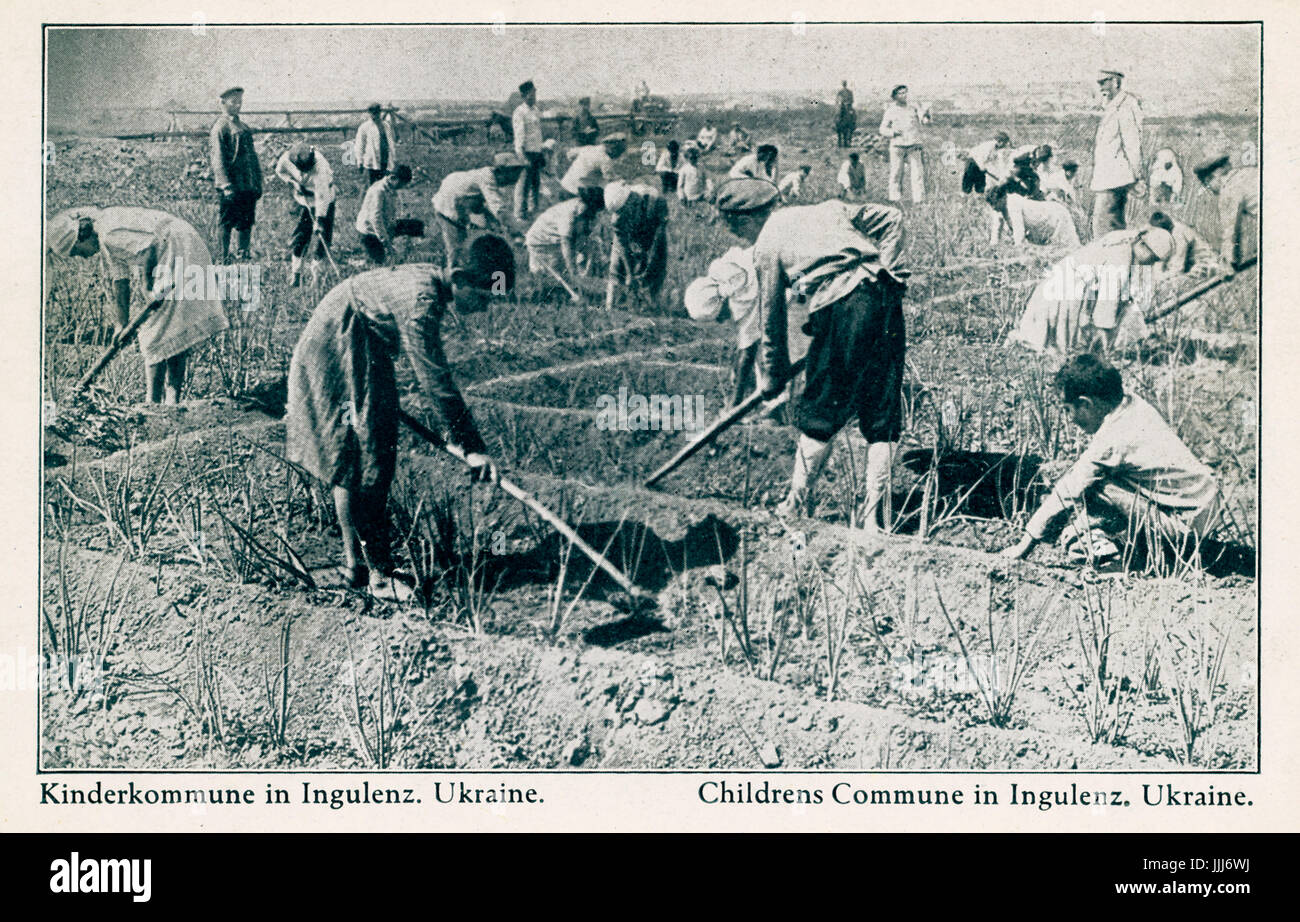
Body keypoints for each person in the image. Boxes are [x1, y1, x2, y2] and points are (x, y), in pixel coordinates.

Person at [284, 238, 515, 594]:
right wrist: (472, 446)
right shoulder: (422, 302)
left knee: (355, 457)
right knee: (367, 460)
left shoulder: (430, 282)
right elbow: (435, 379)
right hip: (340, 342)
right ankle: (378, 575)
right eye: (483, 297)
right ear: (460, 278)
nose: (483, 308)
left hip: (354, 340)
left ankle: (355, 567)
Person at [747, 193, 909, 532]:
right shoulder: (827, 207)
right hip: (885, 296)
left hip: (843, 305)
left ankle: (793, 505)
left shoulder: (765, 245)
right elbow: (894, 218)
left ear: (741, 219)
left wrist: (773, 376)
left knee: (822, 410)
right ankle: (873, 520)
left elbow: (770, 318)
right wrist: (887, 270)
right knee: (882, 412)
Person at [1000, 354, 1221, 569]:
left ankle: (1119, 561)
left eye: (1068, 410)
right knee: (1104, 488)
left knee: (1094, 488)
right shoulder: (1134, 405)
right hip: (1199, 518)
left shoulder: (1114, 438)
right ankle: (1126, 547)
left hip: (1185, 532)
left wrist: (1024, 546)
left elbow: (1069, 491)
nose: (1070, 419)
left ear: (1085, 404)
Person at [46, 207, 231, 404]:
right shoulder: (105, 240)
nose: (81, 257)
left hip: (177, 246)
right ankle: (171, 401)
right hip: (177, 244)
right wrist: (121, 324)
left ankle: (153, 402)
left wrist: (147, 287)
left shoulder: (109, 235)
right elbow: (120, 281)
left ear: (81, 238)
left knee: (156, 331)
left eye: (76, 252)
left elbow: (149, 248)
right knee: (174, 326)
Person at [685, 179, 783, 407]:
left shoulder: (741, 293)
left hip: (796, 297)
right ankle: (775, 403)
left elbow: (747, 351)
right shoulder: (729, 269)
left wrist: (734, 403)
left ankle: (778, 407)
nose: (723, 320)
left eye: (720, 316)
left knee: (771, 354)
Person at [1008, 223, 1174, 356]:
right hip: (1065, 294)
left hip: (1059, 285)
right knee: (1059, 348)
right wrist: (1103, 339)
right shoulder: (1121, 256)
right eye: (1152, 259)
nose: (1150, 264)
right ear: (1143, 245)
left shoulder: (1124, 239)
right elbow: (1107, 302)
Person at [431, 153, 525, 265]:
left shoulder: (487, 176)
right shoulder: (486, 178)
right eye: (514, 173)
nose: (516, 177)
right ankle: (453, 272)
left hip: (461, 196)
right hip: (448, 203)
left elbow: (477, 203)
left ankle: (460, 266)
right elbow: (499, 209)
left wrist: (495, 223)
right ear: (501, 171)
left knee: (468, 238)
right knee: (456, 246)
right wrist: (515, 232)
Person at [987, 147, 1080, 250]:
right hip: (1038, 218)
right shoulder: (999, 203)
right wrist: (993, 248)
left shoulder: (1016, 198)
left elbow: (1019, 231)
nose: (994, 207)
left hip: (1052, 215)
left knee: (1066, 245)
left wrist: (1018, 249)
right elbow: (997, 228)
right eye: (992, 205)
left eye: (995, 204)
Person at [209, 86, 263, 261]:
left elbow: (253, 158)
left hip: (247, 184)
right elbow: (218, 159)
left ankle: (243, 253)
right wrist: (225, 185)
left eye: (240, 102)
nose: (238, 105)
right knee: (226, 222)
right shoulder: (220, 128)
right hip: (232, 186)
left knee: (246, 221)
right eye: (234, 102)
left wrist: (257, 182)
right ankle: (223, 256)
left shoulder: (244, 127)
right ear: (223, 103)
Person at [525, 186, 605, 304]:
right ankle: (569, 291)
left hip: (555, 239)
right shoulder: (568, 214)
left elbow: (583, 234)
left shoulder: (583, 209)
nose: (594, 213)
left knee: (593, 243)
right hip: (542, 242)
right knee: (555, 276)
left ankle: (581, 282)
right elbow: (566, 243)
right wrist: (572, 271)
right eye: (593, 210)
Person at [1090, 69, 1145, 238]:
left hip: (1116, 179)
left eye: (1104, 82)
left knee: (1103, 228)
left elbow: (1132, 144)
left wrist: (1137, 177)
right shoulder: (1112, 105)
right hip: (1109, 178)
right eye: (1099, 83)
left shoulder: (1126, 105)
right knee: (1111, 227)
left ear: (1116, 82)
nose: (1100, 87)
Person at [275, 141, 337, 286]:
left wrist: (320, 221)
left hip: (325, 201)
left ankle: (317, 277)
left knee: (322, 239)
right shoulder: (287, 158)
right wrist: (292, 182)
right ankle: (296, 275)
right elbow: (280, 171)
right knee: (301, 237)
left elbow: (322, 196)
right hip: (304, 201)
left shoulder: (321, 167)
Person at [603, 180, 670, 311]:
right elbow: (622, 246)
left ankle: (650, 302)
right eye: (619, 213)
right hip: (633, 231)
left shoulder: (656, 201)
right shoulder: (617, 219)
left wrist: (649, 262)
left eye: (624, 211)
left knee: (657, 264)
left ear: (630, 200)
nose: (622, 215)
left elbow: (659, 238)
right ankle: (612, 306)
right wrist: (629, 274)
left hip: (651, 229)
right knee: (617, 265)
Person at [1194, 154, 1259, 270]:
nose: (1212, 191)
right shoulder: (1250, 171)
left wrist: (1227, 265)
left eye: (1208, 186)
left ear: (1211, 178)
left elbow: (1230, 233)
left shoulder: (1228, 190)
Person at [356, 165, 418, 265]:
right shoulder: (379, 191)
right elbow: (376, 220)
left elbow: (390, 213)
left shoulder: (390, 187)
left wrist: (391, 229)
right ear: (393, 177)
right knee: (380, 263)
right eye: (401, 184)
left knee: (416, 225)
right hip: (369, 233)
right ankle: (366, 259)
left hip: (383, 228)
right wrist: (386, 243)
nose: (402, 187)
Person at [879, 84, 928, 204]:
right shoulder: (890, 111)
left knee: (918, 173)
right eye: (901, 93)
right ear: (895, 96)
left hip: (914, 145)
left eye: (905, 92)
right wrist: (892, 132)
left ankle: (919, 200)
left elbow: (925, 121)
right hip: (897, 146)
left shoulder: (912, 108)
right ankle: (895, 199)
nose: (904, 95)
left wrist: (926, 113)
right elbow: (882, 129)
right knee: (896, 173)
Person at [1147, 211, 1226, 281]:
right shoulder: (1176, 228)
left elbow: (1179, 268)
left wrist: (1162, 276)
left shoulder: (1178, 232)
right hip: (1201, 262)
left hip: (1205, 263)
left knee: (1175, 281)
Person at [512, 80, 546, 221]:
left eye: (535, 93)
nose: (534, 96)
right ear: (524, 95)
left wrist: (541, 150)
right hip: (526, 153)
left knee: (535, 184)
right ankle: (520, 214)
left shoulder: (536, 110)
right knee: (523, 185)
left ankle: (534, 211)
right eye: (531, 94)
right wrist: (521, 155)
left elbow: (538, 133)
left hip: (536, 151)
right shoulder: (520, 112)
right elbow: (519, 135)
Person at [560, 133, 626, 197]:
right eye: (619, 152)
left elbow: (570, 154)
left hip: (565, 184)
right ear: (612, 149)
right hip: (578, 192)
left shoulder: (589, 148)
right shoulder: (605, 160)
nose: (618, 156)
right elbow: (610, 181)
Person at [354, 103, 397, 186]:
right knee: (370, 186)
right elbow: (359, 145)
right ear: (369, 114)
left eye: (377, 113)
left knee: (384, 186)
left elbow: (391, 143)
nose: (375, 115)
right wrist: (360, 161)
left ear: (379, 113)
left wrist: (393, 158)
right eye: (372, 113)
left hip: (385, 161)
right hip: (371, 162)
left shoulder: (386, 125)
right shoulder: (364, 127)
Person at [835, 80, 857, 148]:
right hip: (841, 105)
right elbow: (837, 99)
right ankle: (835, 124)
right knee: (837, 113)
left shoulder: (850, 92)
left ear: (846, 84)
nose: (844, 84)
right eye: (843, 83)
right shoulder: (840, 92)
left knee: (853, 113)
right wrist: (839, 103)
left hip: (848, 105)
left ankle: (853, 124)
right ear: (842, 84)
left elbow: (852, 100)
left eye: (844, 83)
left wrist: (847, 103)